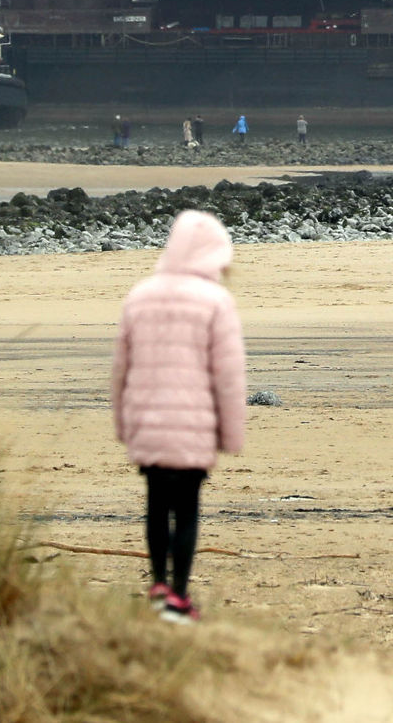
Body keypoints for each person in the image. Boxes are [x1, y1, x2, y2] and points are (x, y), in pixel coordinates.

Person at [111, 209, 248, 625]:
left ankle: (157, 585)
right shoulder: (217, 302)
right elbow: (229, 377)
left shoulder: (139, 295)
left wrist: (123, 426)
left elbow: (121, 369)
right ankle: (180, 596)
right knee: (186, 510)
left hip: (149, 425)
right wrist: (232, 435)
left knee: (156, 505)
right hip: (193, 430)